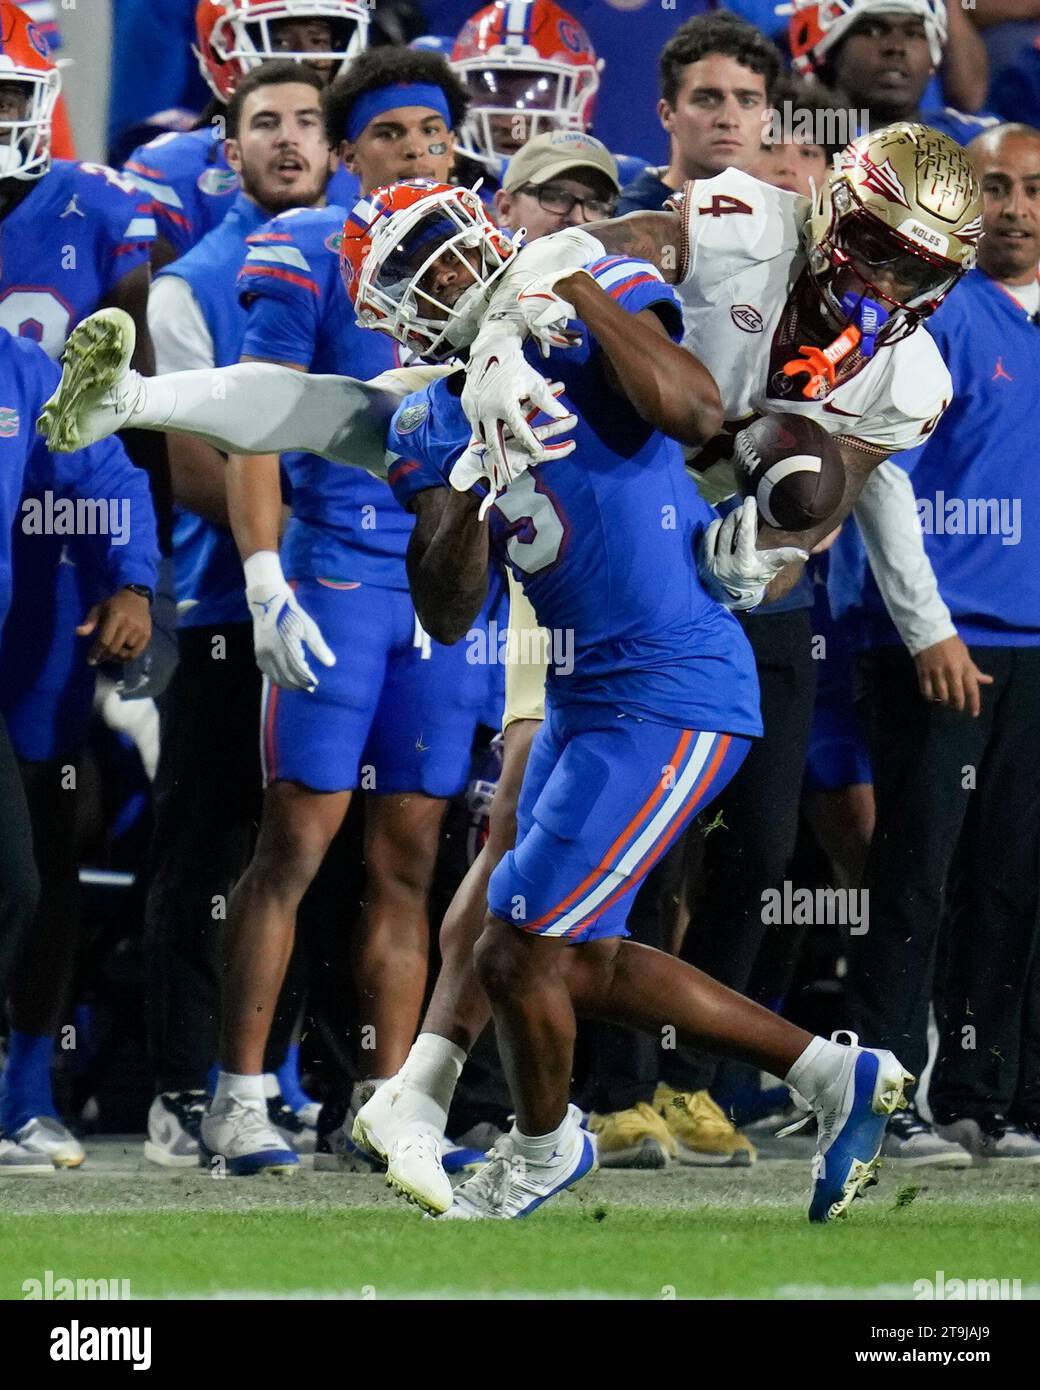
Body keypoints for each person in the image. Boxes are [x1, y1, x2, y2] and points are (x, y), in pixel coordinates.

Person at [207, 50, 490, 1175]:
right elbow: (255, 420)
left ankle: (384, 1102)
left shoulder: (491, 261)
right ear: (345, 151)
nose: (414, 151)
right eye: (388, 135)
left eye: (430, 131)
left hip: (447, 591)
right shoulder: (311, 247)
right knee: (294, 846)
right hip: (334, 573)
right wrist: (263, 571)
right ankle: (235, 1095)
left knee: (412, 860)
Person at [140, 61, 337, 1170]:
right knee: (207, 846)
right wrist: (307, 519)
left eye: (309, 122)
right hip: (227, 601)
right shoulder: (190, 284)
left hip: (349, 603)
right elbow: (198, 467)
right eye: (265, 123)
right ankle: (180, 1085)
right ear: (230, 151)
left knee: (313, 850)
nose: (290, 140)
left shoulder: (368, 258)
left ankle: (282, 1080)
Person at [832, 122, 1040, 1161]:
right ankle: (878, 1090)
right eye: (994, 187)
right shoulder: (932, 312)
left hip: (1033, 646)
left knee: (1010, 878)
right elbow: (880, 471)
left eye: (1032, 189)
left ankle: (982, 1095)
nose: (1012, 207)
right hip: (942, 642)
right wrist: (928, 627)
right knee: (914, 874)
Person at [0, 330, 157, 1173]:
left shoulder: (19, 371)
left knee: (38, 875)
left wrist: (130, 581)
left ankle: (24, 1097)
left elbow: (104, 476)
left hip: (23, 653)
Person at [123, 0, 368, 268]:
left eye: (318, 40)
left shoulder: (367, 160)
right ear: (222, 51)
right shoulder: (173, 168)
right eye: (280, 42)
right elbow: (148, 303)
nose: (303, 58)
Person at [615, 12, 781, 216]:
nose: (728, 120)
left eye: (747, 101)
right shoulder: (625, 225)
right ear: (667, 115)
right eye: (707, 99)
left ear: (769, 120)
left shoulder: (789, 223)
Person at [784, 0, 1000, 147]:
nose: (896, 47)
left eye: (913, 33)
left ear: (934, 55)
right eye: (872, 31)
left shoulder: (976, 139)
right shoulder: (797, 140)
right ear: (827, 52)